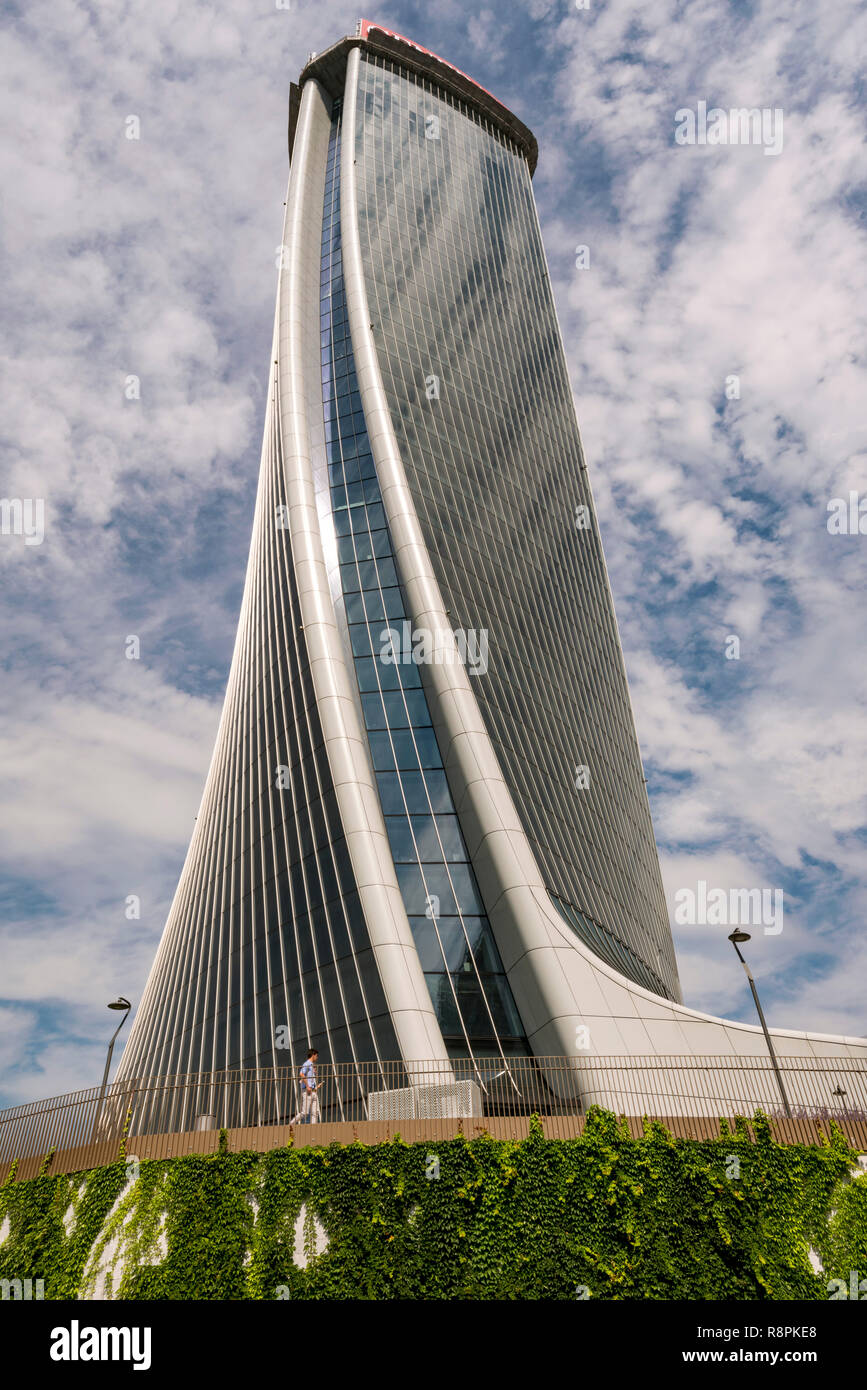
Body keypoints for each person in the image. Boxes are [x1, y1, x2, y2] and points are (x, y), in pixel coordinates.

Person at [290, 1048, 320, 1124]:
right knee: (305, 1112)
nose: (317, 1057)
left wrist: (314, 1073)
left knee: (315, 1112)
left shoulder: (312, 1065)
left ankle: (313, 1128)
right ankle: (291, 1124)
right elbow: (301, 1074)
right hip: (307, 1091)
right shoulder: (307, 1063)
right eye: (316, 1055)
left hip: (313, 1091)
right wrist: (307, 1086)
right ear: (313, 1055)